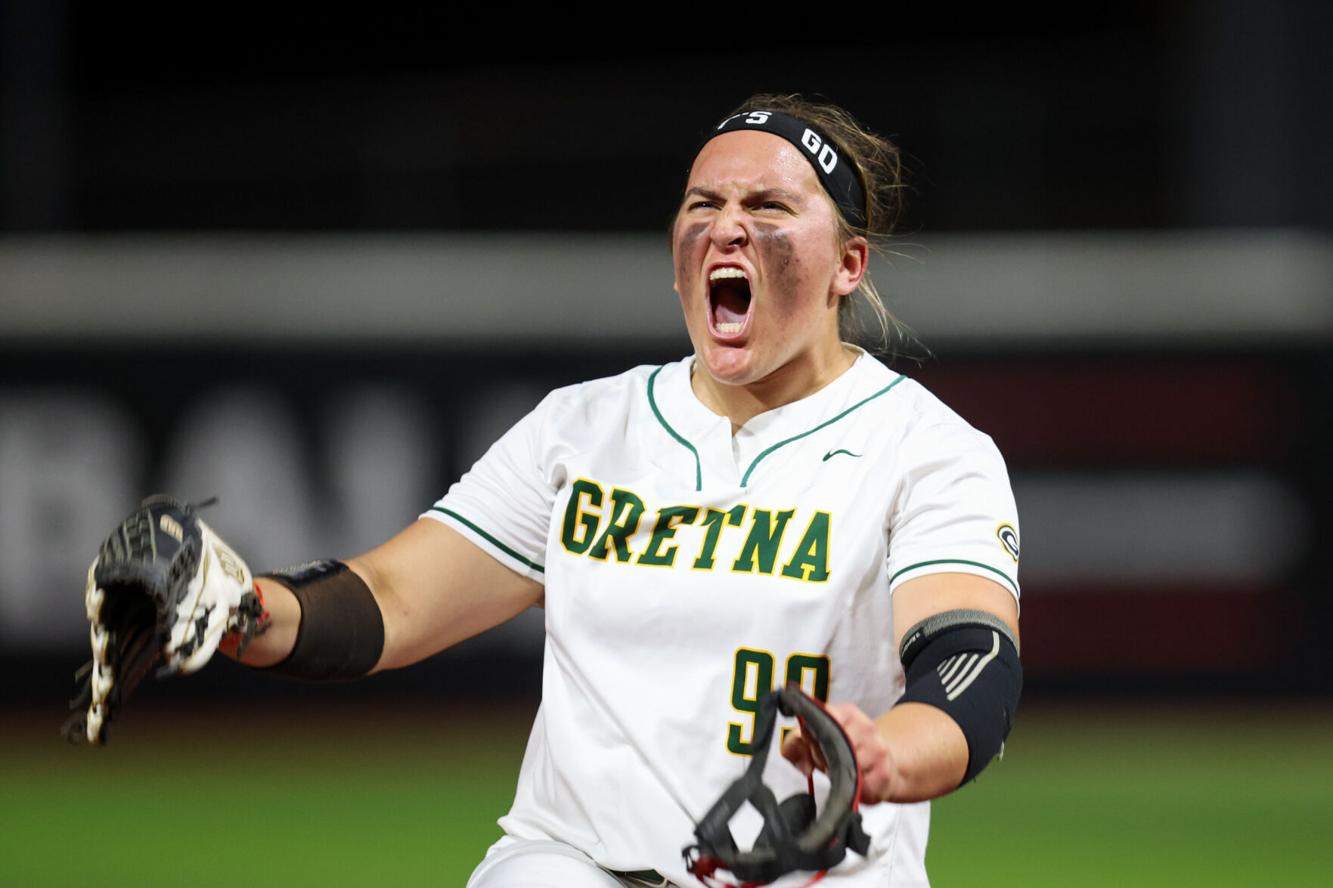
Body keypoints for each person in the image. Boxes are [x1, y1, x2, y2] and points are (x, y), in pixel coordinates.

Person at [117, 94, 1023, 887]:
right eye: (702, 203)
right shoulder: (585, 429)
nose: (727, 226)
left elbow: (968, 666)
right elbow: (392, 599)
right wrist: (241, 610)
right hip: (571, 863)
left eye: (769, 206)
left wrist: (881, 757)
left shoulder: (923, 449)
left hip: (803, 872)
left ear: (848, 266)